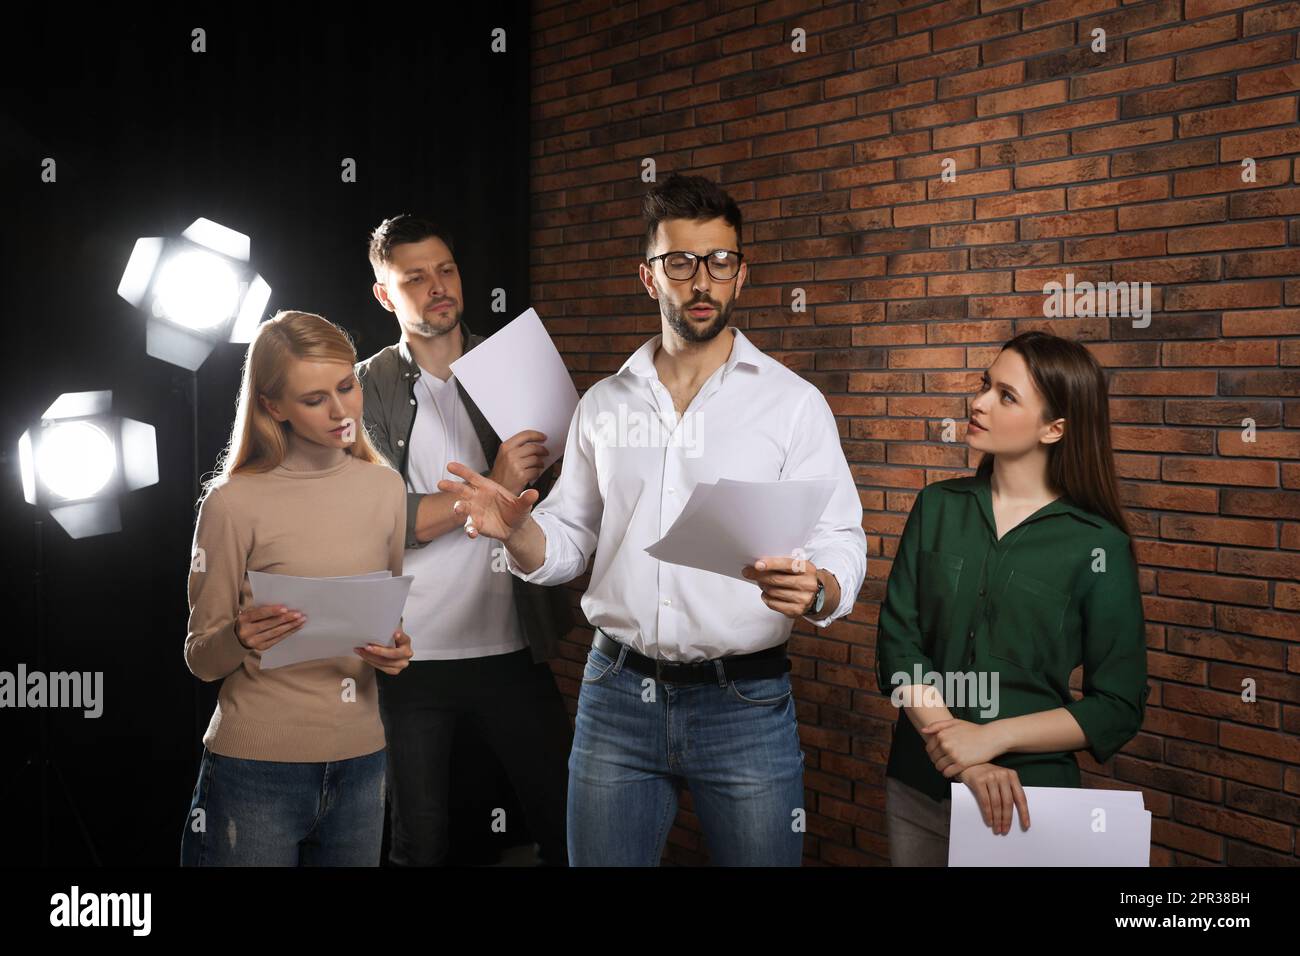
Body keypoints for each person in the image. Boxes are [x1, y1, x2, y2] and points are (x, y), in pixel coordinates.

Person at [437, 174, 867, 866]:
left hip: (746, 702)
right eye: (680, 262)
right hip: (616, 701)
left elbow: (841, 537)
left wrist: (821, 588)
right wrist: (518, 530)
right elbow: (574, 540)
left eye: (719, 261)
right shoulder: (604, 405)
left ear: (741, 274)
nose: (701, 280)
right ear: (649, 276)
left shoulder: (794, 404)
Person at [875, 330, 1150, 866]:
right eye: (984, 385)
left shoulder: (1098, 545)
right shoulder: (937, 507)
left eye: (1006, 395)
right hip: (916, 783)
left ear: (1055, 428)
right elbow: (899, 645)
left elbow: (1117, 705)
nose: (977, 403)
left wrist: (991, 739)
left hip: (1029, 803)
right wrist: (961, 753)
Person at [356, 215, 573, 867]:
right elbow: (377, 520)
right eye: (414, 277)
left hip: (515, 649)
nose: (437, 286)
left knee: (567, 824)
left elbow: (569, 500)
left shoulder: (517, 368)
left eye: (445, 270)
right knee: (418, 845)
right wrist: (495, 488)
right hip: (411, 660)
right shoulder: (363, 387)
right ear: (385, 295)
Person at [181, 310, 414, 866]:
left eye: (347, 386)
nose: (341, 412)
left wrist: (396, 652)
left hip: (362, 761)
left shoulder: (385, 488)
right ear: (272, 406)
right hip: (255, 768)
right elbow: (200, 658)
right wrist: (240, 636)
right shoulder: (232, 503)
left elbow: (385, 620)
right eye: (314, 399)